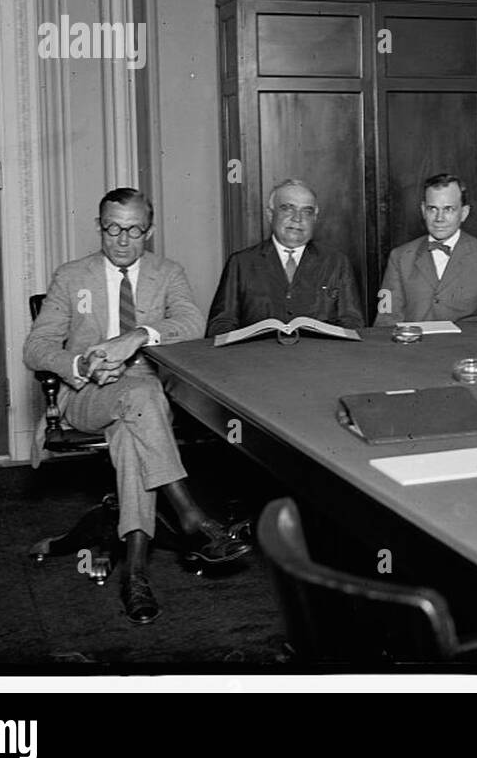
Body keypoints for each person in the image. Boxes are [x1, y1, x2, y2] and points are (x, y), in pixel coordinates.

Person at [24, 188, 250, 625]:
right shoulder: (72, 276)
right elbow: (36, 347)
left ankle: (137, 572)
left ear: (149, 230)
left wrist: (138, 335)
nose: (122, 240)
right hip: (87, 395)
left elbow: (191, 323)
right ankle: (192, 517)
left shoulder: (168, 273)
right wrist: (83, 364)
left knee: (133, 431)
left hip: (144, 398)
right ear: (99, 226)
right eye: (112, 229)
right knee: (141, 398)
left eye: (133, 230)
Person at [207, 178, 365, 336]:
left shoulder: (336, 262)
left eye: (307, 212)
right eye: (288, 209)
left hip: (318, 357)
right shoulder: (241, 263)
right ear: (270, 214)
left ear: (315, 219)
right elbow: (220, 325)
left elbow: (352, 323)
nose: (298, 218)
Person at [374, 173, 477, 325]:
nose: (439, 218)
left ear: (464, 213)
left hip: (469, 347)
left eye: (448, 209)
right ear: (423, 210)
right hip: (413, 346)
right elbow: (385, 317)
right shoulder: (399, 257)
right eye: (432, 209)